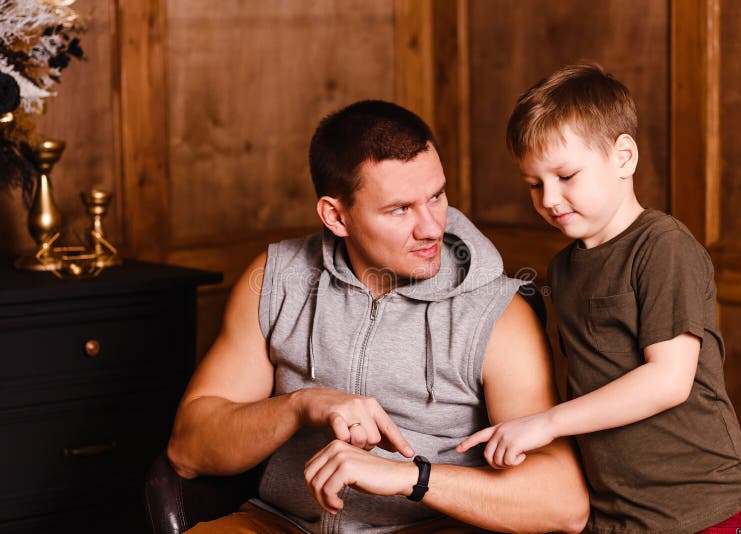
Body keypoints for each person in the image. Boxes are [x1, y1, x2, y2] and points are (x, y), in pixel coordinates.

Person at [167, 100, 589, 533]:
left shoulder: (497, 314)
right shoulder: (276, 279)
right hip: (283, 524)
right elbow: (188, 449)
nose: (431, 228)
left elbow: (564, 502)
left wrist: (411, 478)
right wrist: (300, 406)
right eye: (400, 209)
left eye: (437, 196)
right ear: (336, 215)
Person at [458, 63, 741, 533]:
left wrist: (547, 423)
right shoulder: (564, 268)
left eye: (566, 175)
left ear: (623, 157)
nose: (549, 199)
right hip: (615, 514)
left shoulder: (662, 246)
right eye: (534, 184)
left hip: (696, 510)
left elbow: (669, 381)